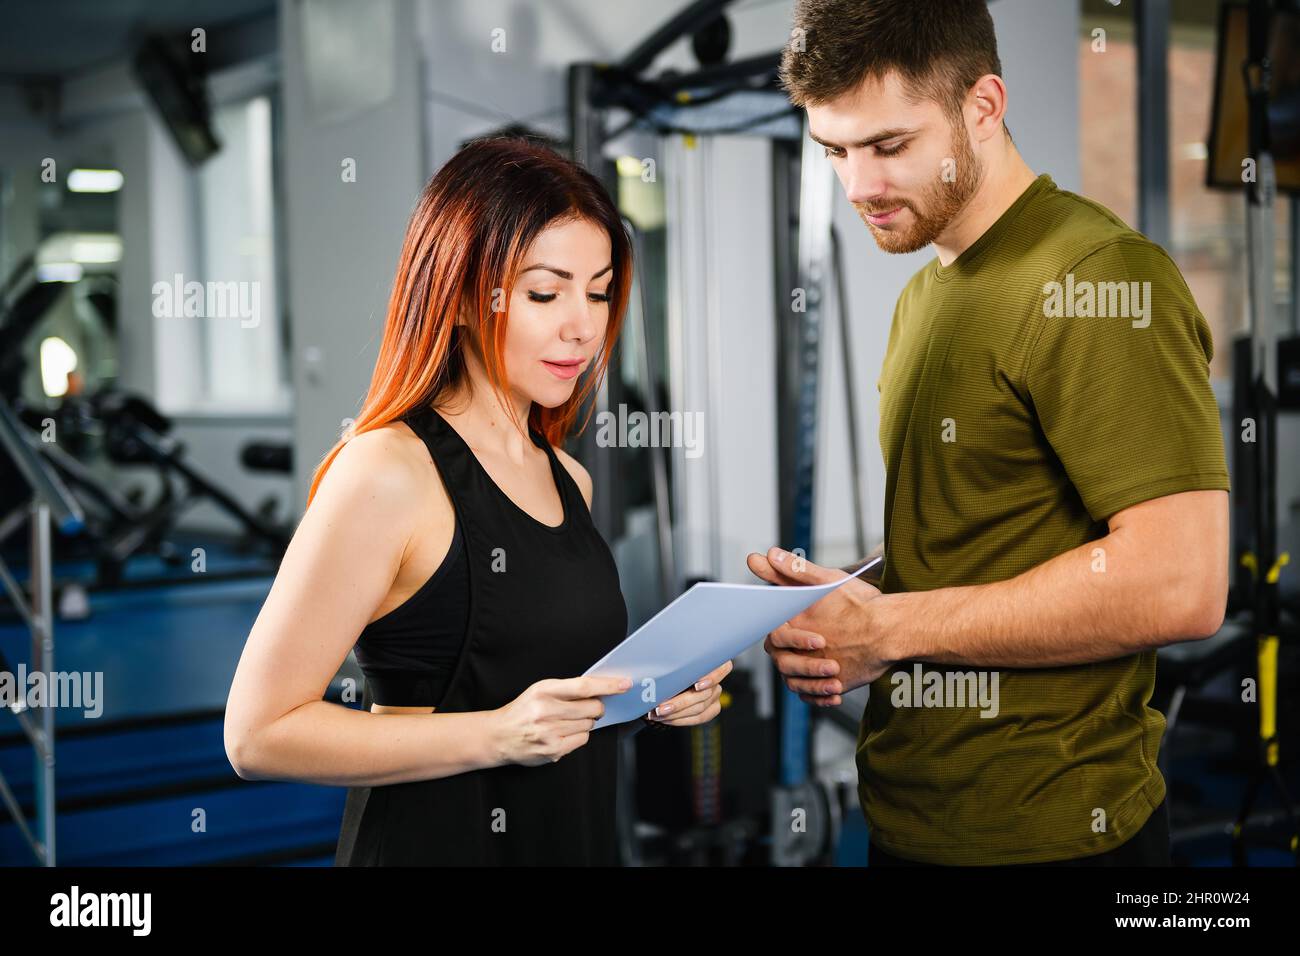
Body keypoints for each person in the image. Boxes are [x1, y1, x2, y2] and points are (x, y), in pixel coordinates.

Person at [748, 0, 1228, 866]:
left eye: (888, 146)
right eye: (836, 152)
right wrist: (852, 609)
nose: (857, 186)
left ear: (983, 106)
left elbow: (1180, 582)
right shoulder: (924, 296)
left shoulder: (1100, 278)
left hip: (1054, 835)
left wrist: (890, 631)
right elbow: (984, 537)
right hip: (911, 816)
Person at [225, 136, 730, 866]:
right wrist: (495, 735)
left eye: (597, 290)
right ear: (462, 296)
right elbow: (257, 734)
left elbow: (550, 692)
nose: (583, 325)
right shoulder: (387, 472)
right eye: (544, 292)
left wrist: (660, 692)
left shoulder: (568, 479)